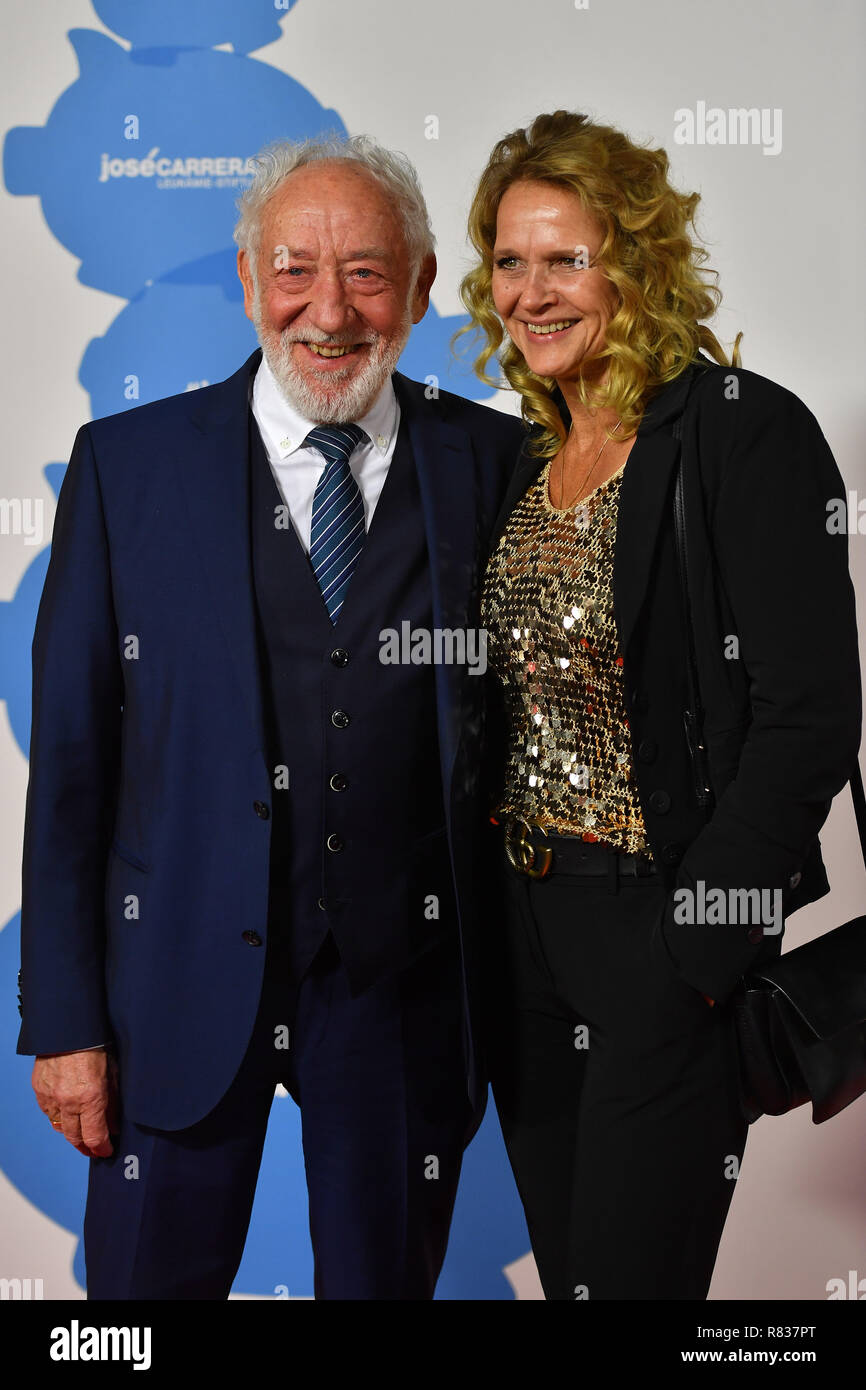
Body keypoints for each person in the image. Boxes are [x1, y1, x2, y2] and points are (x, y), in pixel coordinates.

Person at [18, 133, 525, 1299]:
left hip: (399, 989)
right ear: (249, 283)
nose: (328, 310)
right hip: (175, 985)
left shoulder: (493, 461)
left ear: (420, 286)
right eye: (294, 268)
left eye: (364, 271)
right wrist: (65, 1019)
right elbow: (75, 765)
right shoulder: (127, 467)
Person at [459, 109, 862, 1300]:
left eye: (565, 257)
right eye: (510, 259)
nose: (531, 291)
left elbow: (807, 715)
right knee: (573, 1275)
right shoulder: (523, 459)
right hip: (521, 938)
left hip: (659, 929)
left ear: (631, 265)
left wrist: (695, 948)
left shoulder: (741, 433)